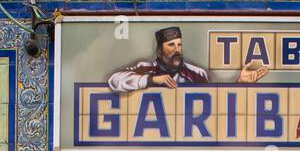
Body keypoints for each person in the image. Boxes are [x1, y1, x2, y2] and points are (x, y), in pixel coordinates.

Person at [107, 24, 268, 92]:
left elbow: (216, 101)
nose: (177, 50)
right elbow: (114, 80)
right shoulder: (146, 68)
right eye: (171, 45)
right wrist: (152, 80)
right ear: (159, 51)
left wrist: (240, 84)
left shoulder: (196, 73)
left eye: (179, 45)